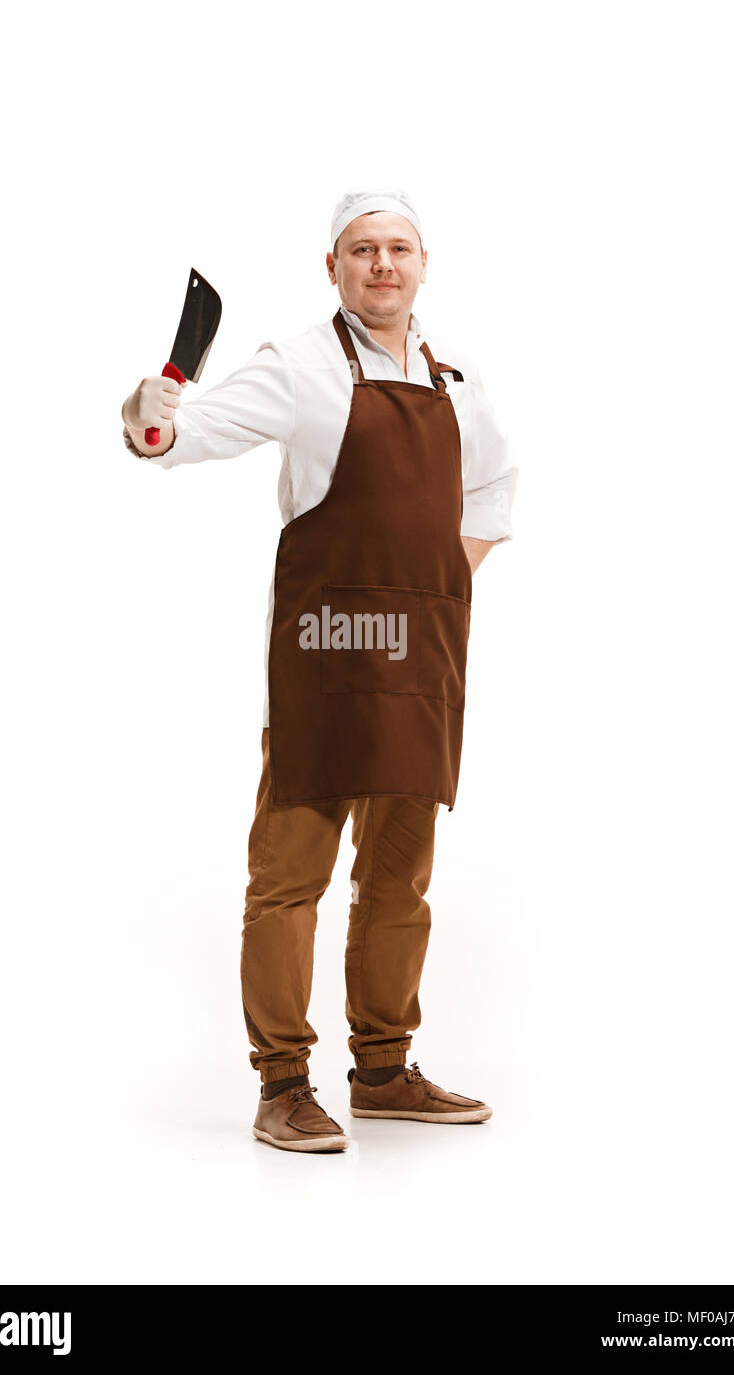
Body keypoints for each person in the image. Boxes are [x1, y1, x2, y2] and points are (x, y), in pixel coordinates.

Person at [121, 189, 518, 1153]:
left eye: (398, 249)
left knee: (398, 881)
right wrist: (152, 413)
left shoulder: (456, 383)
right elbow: (176, 440)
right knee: (289, 877)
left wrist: (434, 589)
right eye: (361, 251)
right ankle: (283, 1084)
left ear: (423, 265)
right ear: (333, 269)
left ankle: (383, 1068)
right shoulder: (300, 368)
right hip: (325, 655)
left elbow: (496, 487)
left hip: (420, 659)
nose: (382, 265)